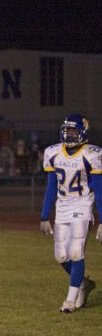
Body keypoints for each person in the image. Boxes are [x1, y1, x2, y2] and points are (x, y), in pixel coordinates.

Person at [40, 114, 102, 313]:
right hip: (63, 206)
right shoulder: (53, 152)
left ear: (82, 132)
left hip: (82, 204)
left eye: (73, 130)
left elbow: (99, 189)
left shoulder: (92, 154)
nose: (69, 134)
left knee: (76, 251)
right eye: (67, 130)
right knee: (61, 256)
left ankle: (70, 300)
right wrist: (44, 216)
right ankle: (83, 283)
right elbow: (51, 187)